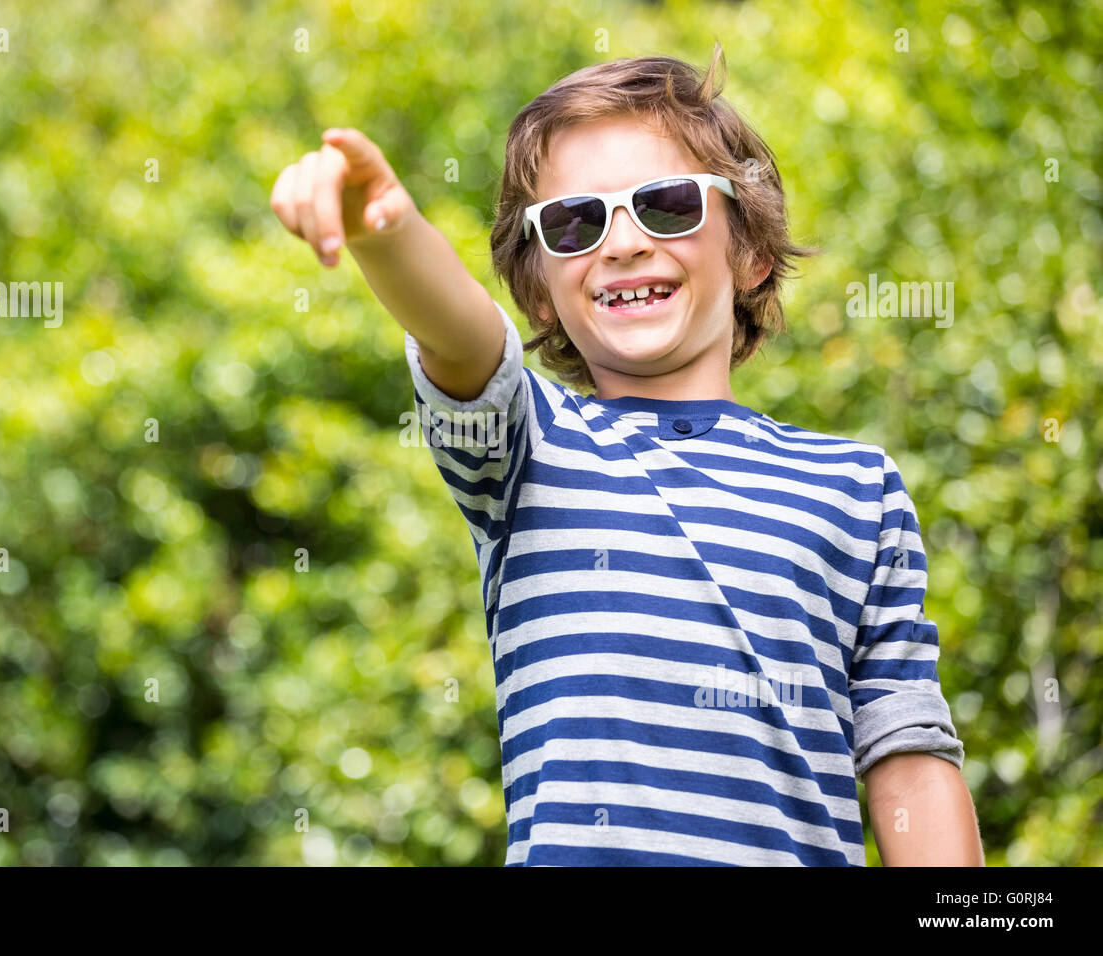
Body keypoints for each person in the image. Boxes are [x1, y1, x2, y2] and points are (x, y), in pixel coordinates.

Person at [269, 42, 983, 867]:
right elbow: (463, 337)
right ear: (539, 285)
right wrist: (384, 229)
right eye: (575, 223)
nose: (623, 243)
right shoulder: (526, 449)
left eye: (668, 205)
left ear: (750, 252)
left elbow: (908, 756)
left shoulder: (857, 487)